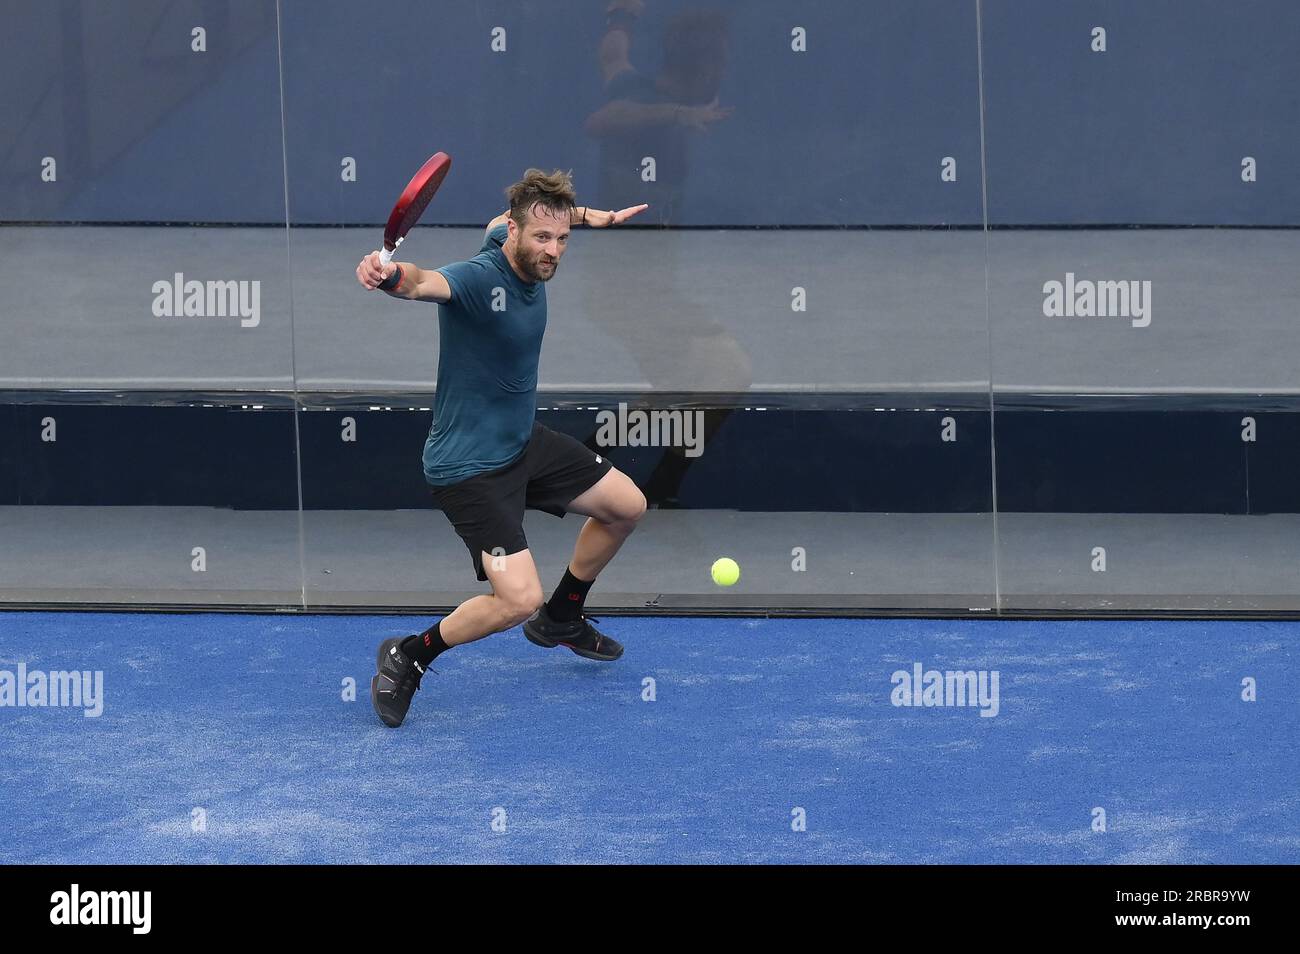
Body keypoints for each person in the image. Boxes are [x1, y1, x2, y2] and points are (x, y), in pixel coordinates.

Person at [355, 168, 649, 728]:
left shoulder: (508, 230)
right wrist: (388, 274)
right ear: (512, 233)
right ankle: (409, 656)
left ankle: (562, 616)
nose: (553, 250)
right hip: (469, 469)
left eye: (562, 239)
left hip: (522, 444)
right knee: (515, 600)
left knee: (627, 506)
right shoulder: (475, 277)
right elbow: (422, 282)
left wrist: (596, 217)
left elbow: (553, 215)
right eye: (541, 238)